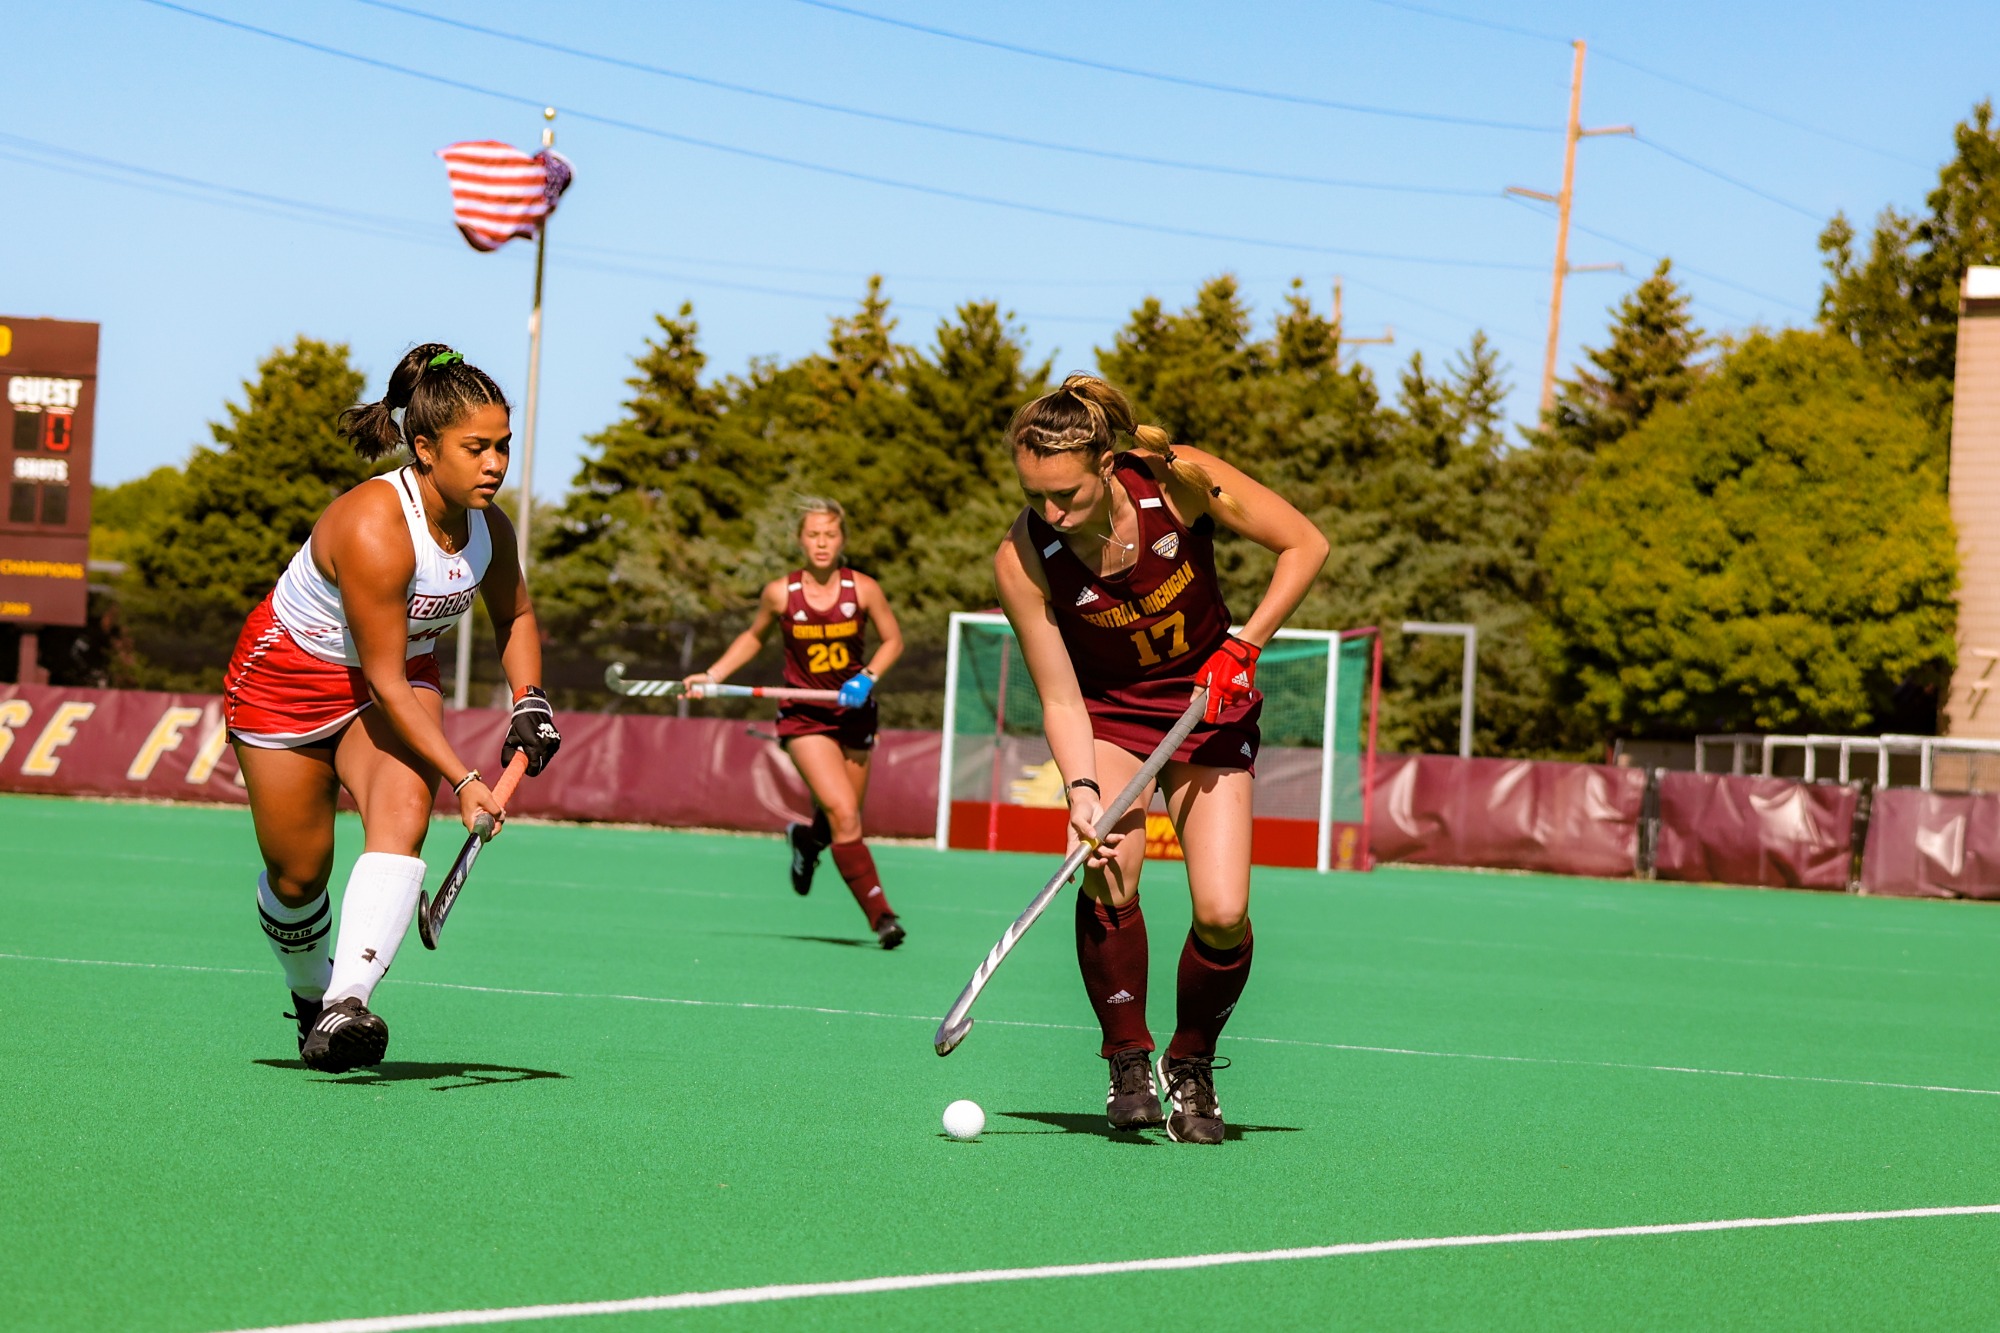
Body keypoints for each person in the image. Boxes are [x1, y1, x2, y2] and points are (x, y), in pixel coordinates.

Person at [993, 374, 1328, 1144]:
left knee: (1221, 911)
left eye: (1067, 495)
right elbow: (1061, 695)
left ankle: (1192, 1060)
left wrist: (1246, 644)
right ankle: (1127, 1059)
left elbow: (1304, 544)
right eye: (1034, 494)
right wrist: (1081, 789)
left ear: (1106, 464)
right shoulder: (1023, 558)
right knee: (1109, 864)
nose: (1051, 513)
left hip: (1212, 703)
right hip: (1110, 715)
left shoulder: (1176, 483)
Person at [224, 344, 562, 1074]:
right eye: (477, 448)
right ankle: (312, 996)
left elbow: (516, 618)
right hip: (287, 681)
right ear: (424, 447)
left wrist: (529, 700)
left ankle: (349, 1000)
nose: (496, 463)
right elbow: (377, 678)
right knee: (297, 875)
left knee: (404, 814)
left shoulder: (489, 528)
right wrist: (468, 778)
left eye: (503, 445)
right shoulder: (376, 524)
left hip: (399, 675)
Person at [687, 498, 908, 948]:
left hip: (855, 713)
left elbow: (893, 640)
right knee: (845, 814)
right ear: (800, 540)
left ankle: (807, 843)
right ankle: (882, 917)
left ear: (842, 540)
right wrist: (712, 675)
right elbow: (753, 637)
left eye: (830, 534)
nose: (822, 543)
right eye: (813, 535)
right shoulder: (780, 593)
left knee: (840, 819)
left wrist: (868, 677)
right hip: (805, 717)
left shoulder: (863, 589)